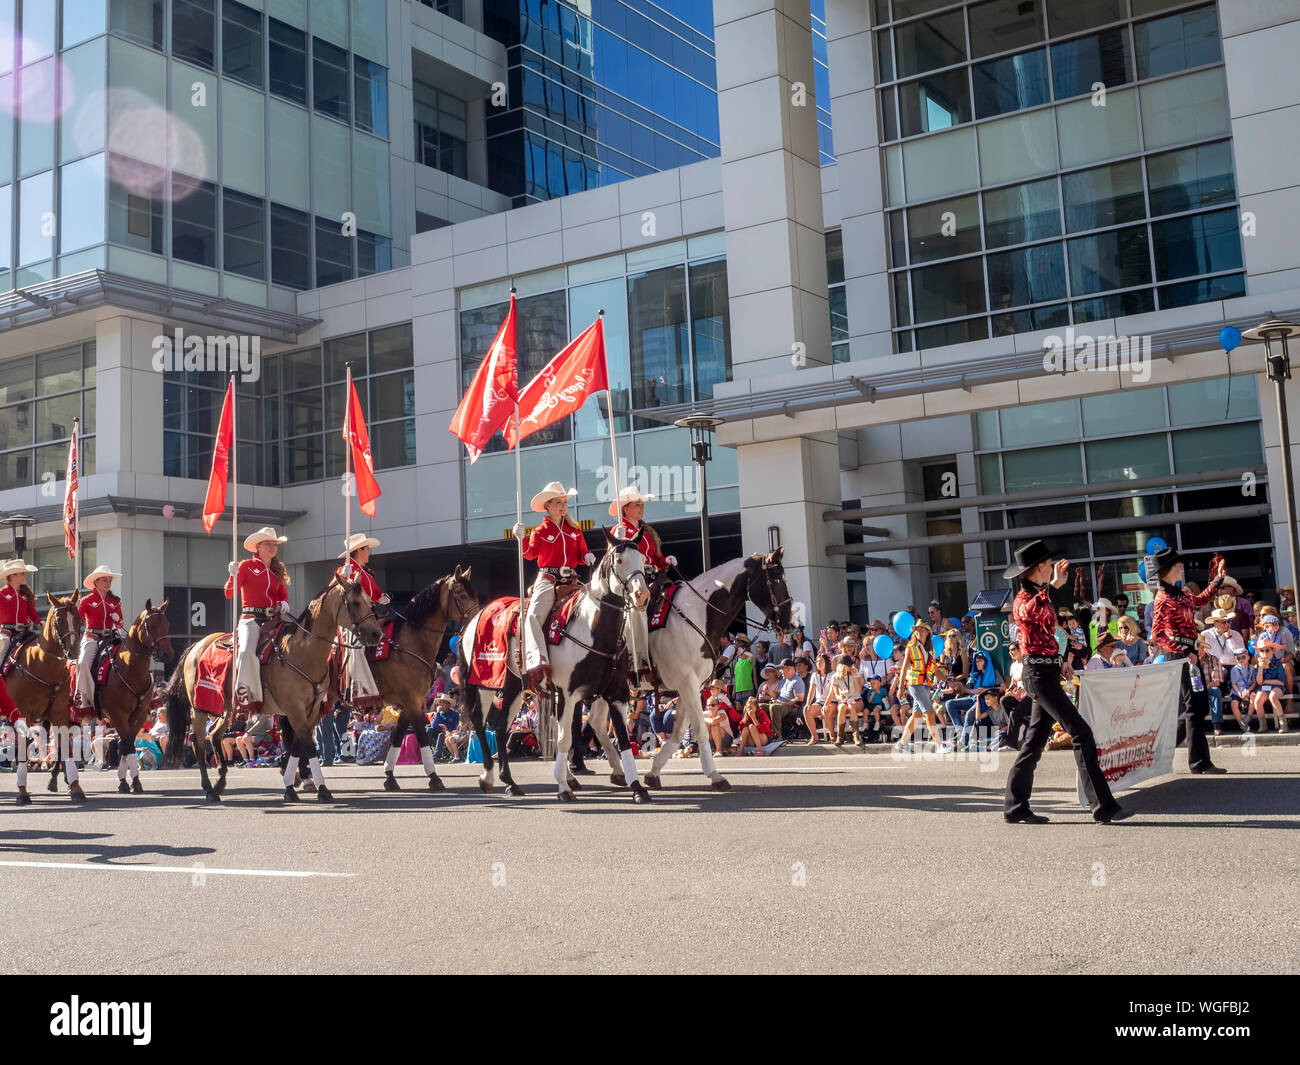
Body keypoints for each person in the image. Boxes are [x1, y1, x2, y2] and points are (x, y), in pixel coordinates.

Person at [1001, 540, 1129, 824]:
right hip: (1036, 675)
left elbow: (1045, 637)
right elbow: (1030, 612)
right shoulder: (1024, 598)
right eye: (1046, 564)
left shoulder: (1042, 595)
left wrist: (1060, 662)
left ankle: (1014, 806)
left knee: (1034, 743)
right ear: (1037, 569)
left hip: (1046, 672)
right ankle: (1103, 805)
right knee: (1081, 732)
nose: (1051, 568)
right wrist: (1055, 586)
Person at [1149, 547, 1226, 773]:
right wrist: (1183, 652)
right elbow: (1157, 634)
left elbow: (1199, 601)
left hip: (1190, 654)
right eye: (1177, 565)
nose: (1181, 568)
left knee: (1198, 705)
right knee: (1195, 705)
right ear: (1167, 570)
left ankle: (1169, 745)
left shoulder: (1178, 593)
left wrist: (1217, 581)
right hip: (1180, 655)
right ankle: (1199, 762)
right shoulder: (1162, 597)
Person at [515, 481, 594, 692]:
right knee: (532, 616)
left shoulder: (574, 531)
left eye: (564, 502)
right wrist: (521, 539)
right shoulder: (540, 531)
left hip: (572, 579)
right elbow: (530, 554)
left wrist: (586, 555)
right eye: (558, 502)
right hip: (548, 579)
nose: (563, 506)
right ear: (548, 506)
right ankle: (537, 658)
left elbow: (581, 552)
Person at [609, 485, 675, 689]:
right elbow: (615, 559)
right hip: (630, 581)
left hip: (651, 578)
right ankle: (637, 662)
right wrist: (618, 540)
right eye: (637, 505)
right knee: (636, 613)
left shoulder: (646, 532)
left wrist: (666, 561)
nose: (641, 508)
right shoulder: (618, 530)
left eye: (642, 504)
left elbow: (656, 558)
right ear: (625, 509)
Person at [223, 527, 292, 713]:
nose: (273, 547)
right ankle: (246, 699)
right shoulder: (246, 566)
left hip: (273, 619)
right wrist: (232, 575)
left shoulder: (278, 570)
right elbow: (229, 593)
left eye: (275, 544)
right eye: (268, 544)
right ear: (258, 547)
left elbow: (282, 595)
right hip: (251, 619)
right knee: (246, 652)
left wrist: (284, 602)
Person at [335, 533, 390, 711]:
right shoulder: (343, 570)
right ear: (358, 550)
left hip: (368, 618)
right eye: (367, 549)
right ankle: (357, 690)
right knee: (356, 647)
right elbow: (334, 592)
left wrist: (383, 598)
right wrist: (343, 579)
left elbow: (376, 593)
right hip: (350, 621)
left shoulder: (367, 575)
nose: (369, 553)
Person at [892, 621, 951, 755]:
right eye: (916, 629)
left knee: (917, 716)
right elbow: (904, 668)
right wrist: (901, 687)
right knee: (929, 712)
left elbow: (934, 670)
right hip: (914, 684)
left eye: (921, 629)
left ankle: (902, 743)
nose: (918, 631)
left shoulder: (930, 650)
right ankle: (939, 745)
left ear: (927, 632)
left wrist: (948, 681)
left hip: (925, 685)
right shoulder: (911, 647)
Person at [74, 564, 127, 712]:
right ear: (96, 582)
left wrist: (117, 618)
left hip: (110, 637)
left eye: (109, 580)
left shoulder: (114, 602)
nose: (108, 583)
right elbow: (76, 620)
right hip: (92, 638)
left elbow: (121, 623)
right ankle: (83, 701)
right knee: (83, 663)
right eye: (104, 580)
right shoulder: (87, 600)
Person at [1253, 646, 1289, 733]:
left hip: (1277, 686)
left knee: (1273, 696)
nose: (1264, 653)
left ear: (1272, 651)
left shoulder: (1278, 663)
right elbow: (1259, 682)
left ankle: (1283, 723)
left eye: (1267, 650)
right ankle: (1263, 724)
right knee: (1257, 700)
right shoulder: (1258, 664)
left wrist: (1266, 681)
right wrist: (1261, 668)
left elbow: (1281, 682)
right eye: (1262, 650)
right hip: (1265, 687)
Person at [803, 653, 834, 744]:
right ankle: (814, 736)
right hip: (819, 702)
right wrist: (808, 704)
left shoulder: (833, 674)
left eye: (821, 661)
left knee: (826, 710)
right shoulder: (814, 675)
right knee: (806, 710)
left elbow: (832, 692)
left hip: (832, 701)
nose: (819, 663)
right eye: (817, 661)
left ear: (826, 663)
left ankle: (832, 736)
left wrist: (826, 704)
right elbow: (811, 691)